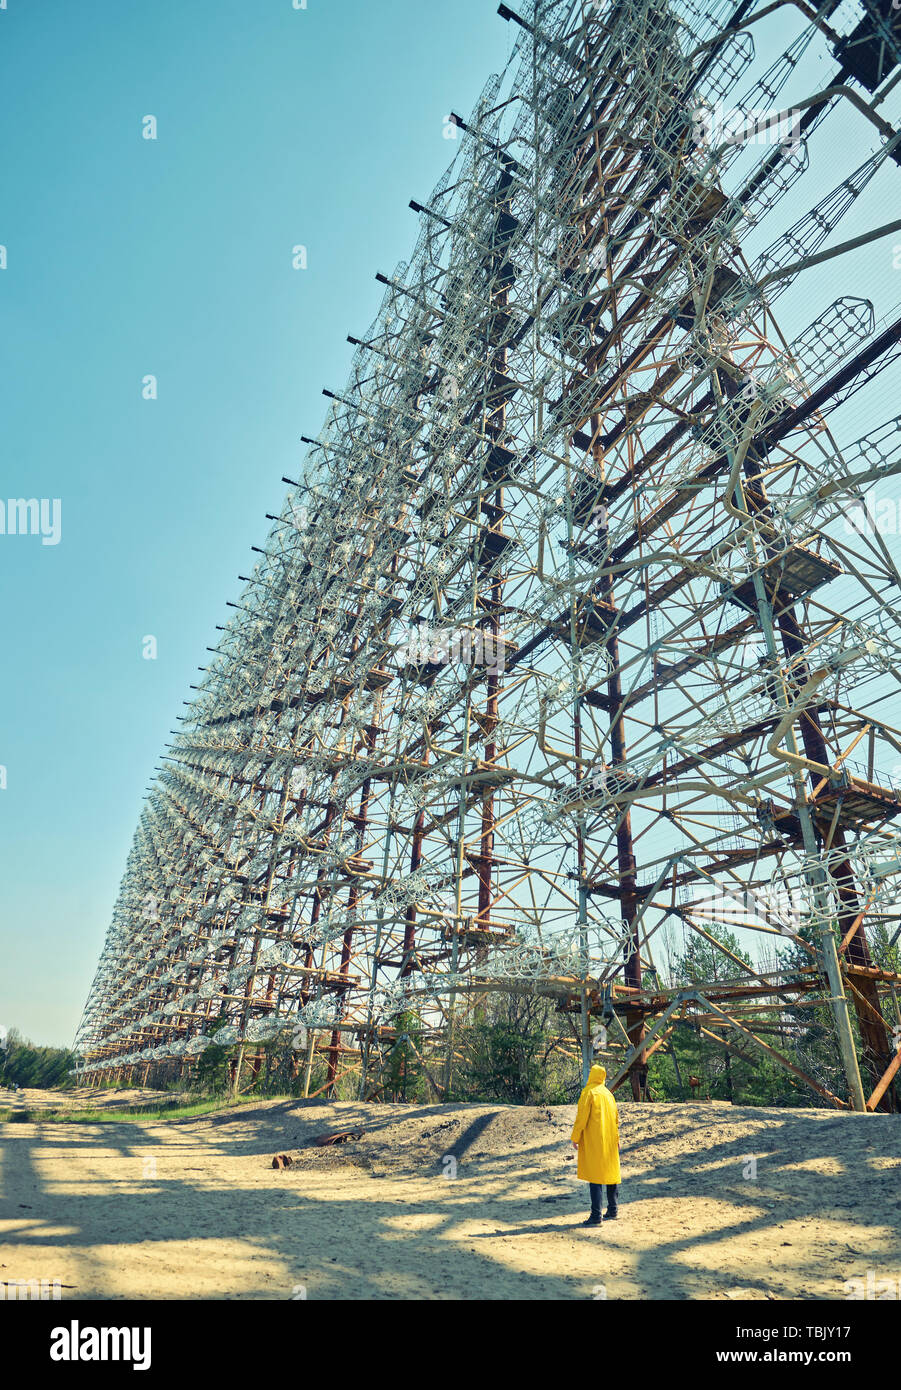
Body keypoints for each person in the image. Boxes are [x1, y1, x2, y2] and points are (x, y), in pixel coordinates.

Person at [570, 1063, 621, 1226]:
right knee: (611, 1173)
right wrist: (617, 1140)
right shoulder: (608, 1094)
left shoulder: (589, 1092)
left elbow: (582, 1117)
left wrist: (575, 1137)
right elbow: (616, 1120)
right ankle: (613, 1210)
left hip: (595, 1140)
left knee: (595, 1176)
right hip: (610, 1140)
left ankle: (596, 1215)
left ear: (592, 1075)